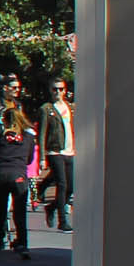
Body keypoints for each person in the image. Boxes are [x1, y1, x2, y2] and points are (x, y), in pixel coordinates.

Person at [0, 106, 38, 259]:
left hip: (1, 174)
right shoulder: (28, 137)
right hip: (19, 175)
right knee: (20, 212)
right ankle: (22, 244)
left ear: (6, 121)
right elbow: (30, 159)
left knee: (0, 209)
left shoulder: (0, 136)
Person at [40, 78, 76, 231]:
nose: (58, 92)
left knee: (71, 187)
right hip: (55, 151)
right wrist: (42, 157)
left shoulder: (70, 107)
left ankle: (51, 207)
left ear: (65, 91)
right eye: (55, 89)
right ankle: (63, 221)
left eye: (61, 89)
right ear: (50, 90)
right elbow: (42, 134)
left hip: (70, 151)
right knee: (62, 184)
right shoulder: (46, 109)